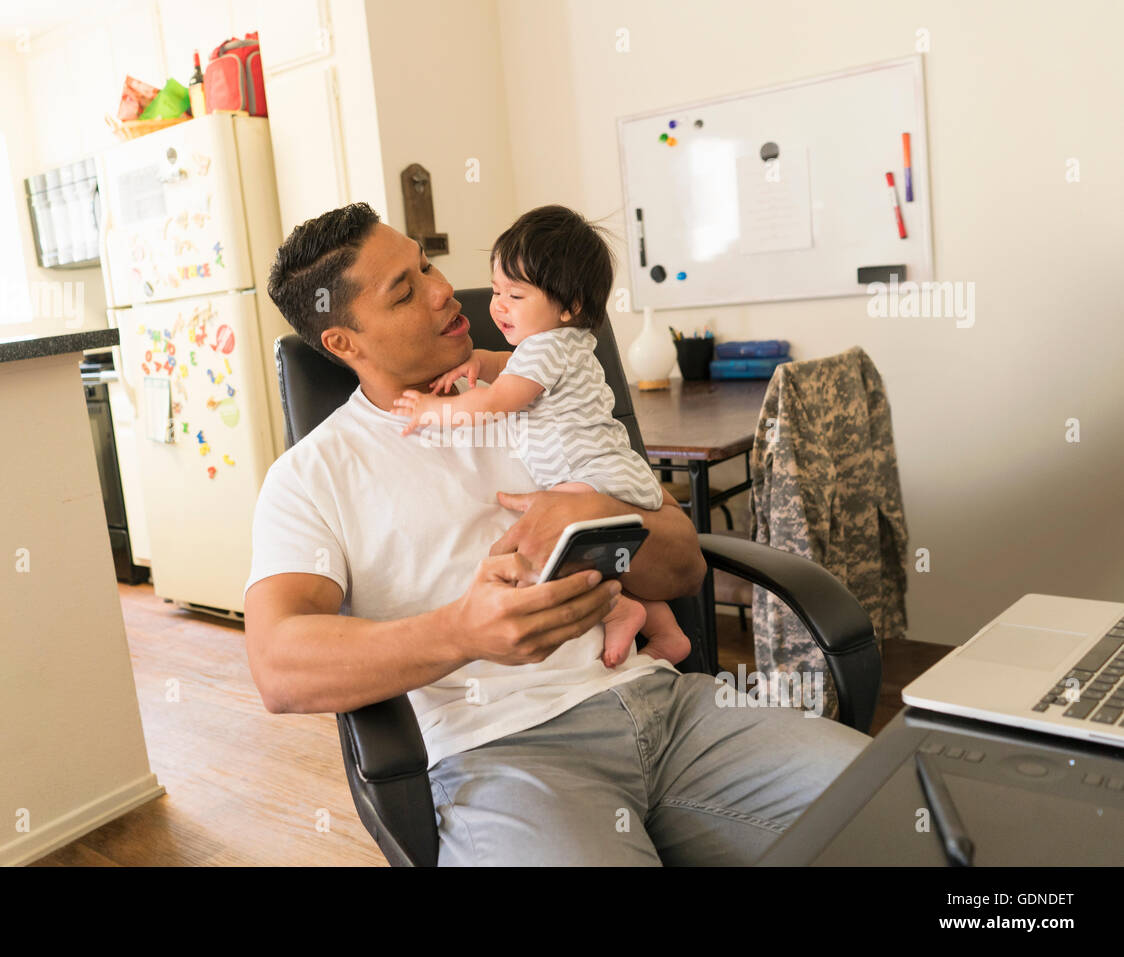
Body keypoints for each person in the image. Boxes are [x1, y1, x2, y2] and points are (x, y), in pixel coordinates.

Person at [244, 202, 869, 865]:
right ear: (344, 341)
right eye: (405, 290)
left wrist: (594, 513)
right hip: (506, 755)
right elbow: (278, 664)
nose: (443, 289)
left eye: (427, 264)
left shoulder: (549, 397)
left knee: (914, 808)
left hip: (671, 709)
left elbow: (683, 565)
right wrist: (462, 630)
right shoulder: (314, 477)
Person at [390, 204, 690, 670]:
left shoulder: (545, 349)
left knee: (552, 545)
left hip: (591, 478)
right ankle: (666, 632)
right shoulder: (560, 344)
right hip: (610, 473)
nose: (498, 306)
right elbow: (511, 366)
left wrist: (434, 410)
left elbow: (494, 403)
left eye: (515, 294)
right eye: (495, 291)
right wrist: (483, 363)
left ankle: (620, 608)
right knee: (606, 558)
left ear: (569, 307)